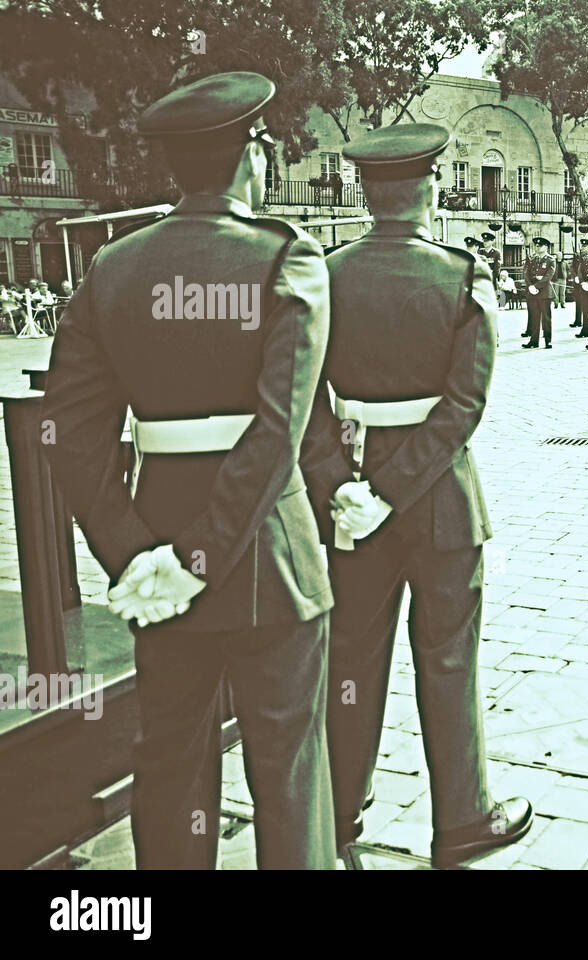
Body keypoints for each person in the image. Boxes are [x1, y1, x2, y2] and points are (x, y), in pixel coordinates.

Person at [41, 71, 335, 869]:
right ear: (255, 154)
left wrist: (141, 555)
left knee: (169, 762)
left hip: (157, 551)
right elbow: (280, 433)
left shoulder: (113, 269)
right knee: (290, 768)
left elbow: (70, 430)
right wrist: (203, 553)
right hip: (272, 556)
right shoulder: (288, 258)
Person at [306, 122, 531, 869]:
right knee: (448, 661)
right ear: (431, 188)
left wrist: (347, 489)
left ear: (366, 194)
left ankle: (336, 813)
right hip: (438, 504)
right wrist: (395, 490)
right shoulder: (461, 275)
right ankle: (463, 818)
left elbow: (299, 399)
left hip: (351, 506)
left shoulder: (325, 274)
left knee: (350, 663)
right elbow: (463, 408)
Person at [522, 235, 555, 349]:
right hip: (532, 291)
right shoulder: (532, 259)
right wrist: (530, 286)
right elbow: (526, 273)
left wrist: (536, 285)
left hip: (544, 292)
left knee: (546, 318)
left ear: (546, 247)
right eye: (536, 245)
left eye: (540, 245)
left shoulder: (550, 260)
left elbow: (548, 276)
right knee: (534, 317)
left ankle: (548, 340)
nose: (537, 247)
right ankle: (534, 341)